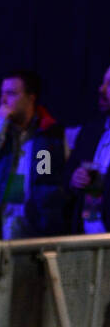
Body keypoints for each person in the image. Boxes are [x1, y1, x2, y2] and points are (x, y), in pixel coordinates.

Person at [0, 70, 65, 239]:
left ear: (30, 98)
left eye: (11, 93)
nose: (3, 100)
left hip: (32, 226)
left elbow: (45, 176)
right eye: (2, 93)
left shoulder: (48, 135)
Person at [64, 65, 110, 234]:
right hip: (83, 238)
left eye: (109, 84)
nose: (101, 89)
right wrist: (73, 178)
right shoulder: (90, 132)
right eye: (103, 82)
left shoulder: (48, 136)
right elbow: (65, 175)